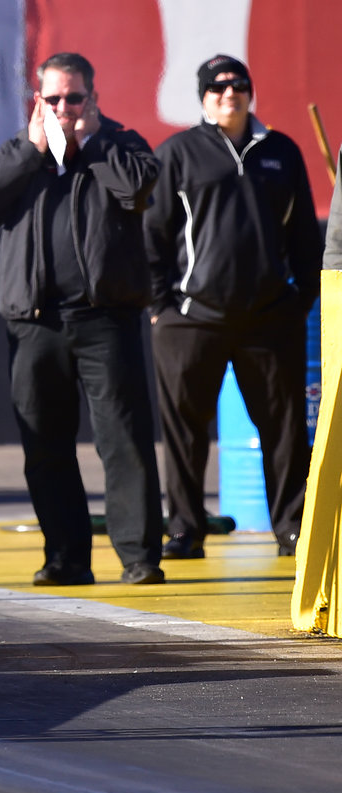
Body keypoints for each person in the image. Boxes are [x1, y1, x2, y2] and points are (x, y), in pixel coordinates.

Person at [0, 52, 165, 586]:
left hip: (105, 320)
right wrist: (32, 152)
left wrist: (94, 142)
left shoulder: (121, 144)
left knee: (123, 441)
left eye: (74, 98)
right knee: (46, 446)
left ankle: (140, 558)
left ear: (93, 100)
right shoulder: (22, 151)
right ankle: (66, 558)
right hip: (34, 324)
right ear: (38, 101)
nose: (64, 109)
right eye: (53, 99)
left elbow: (139, 188)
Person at [146, 54, 322, 558]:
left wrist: (298, 299)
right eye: (217, 87)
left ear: (250, 91)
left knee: (285, 430)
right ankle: (185, 530)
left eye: (238, 84)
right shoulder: (178, 153)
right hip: (191, 319)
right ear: (203, 97)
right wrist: (162, 306)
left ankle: (293, 529)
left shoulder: (280, 152)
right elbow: (151, 237)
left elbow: (304, 238)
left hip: (268, 318)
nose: (229, 93)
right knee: (185, 431)